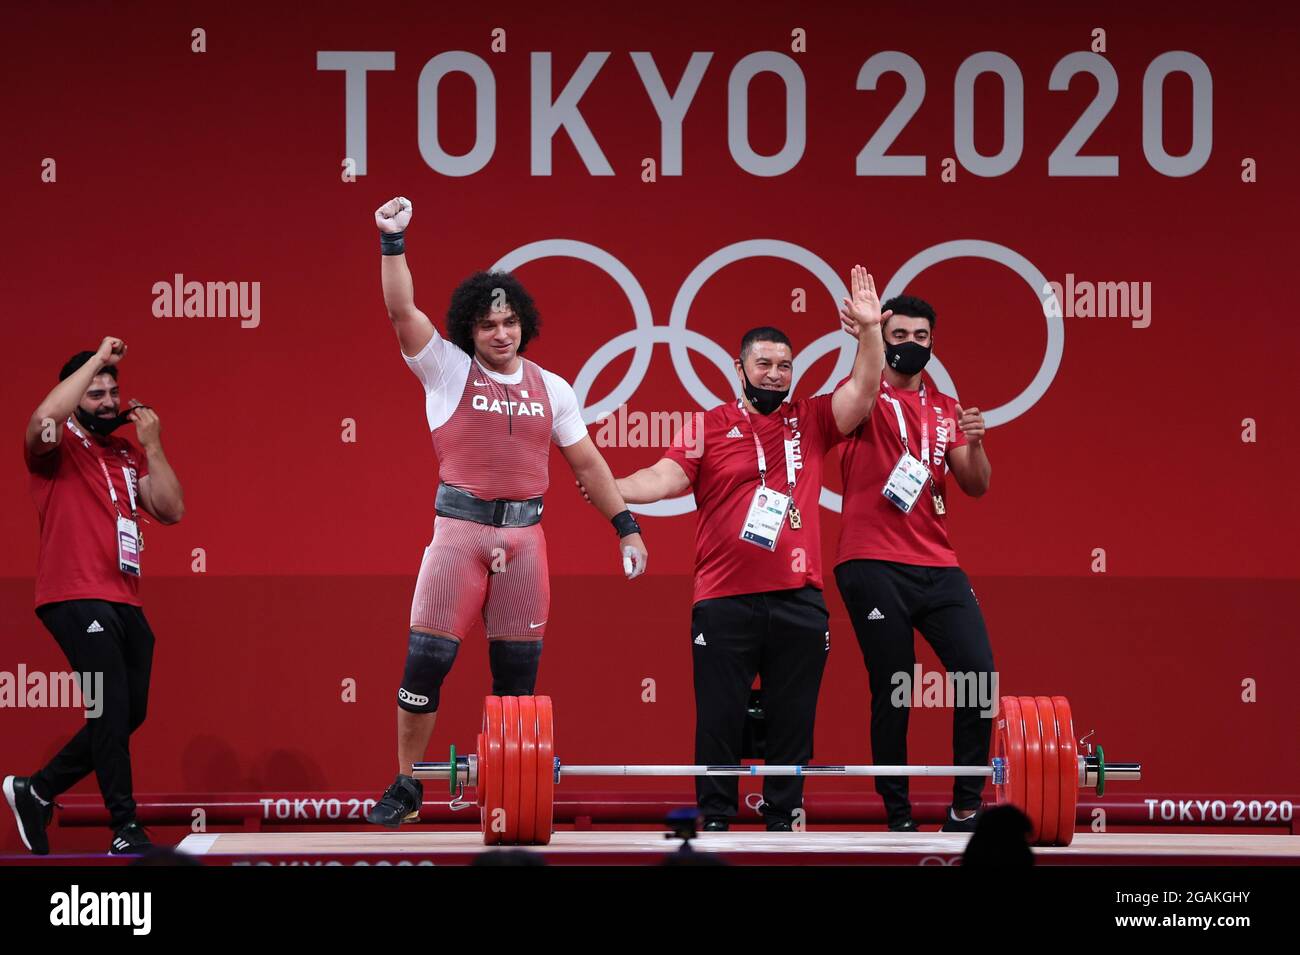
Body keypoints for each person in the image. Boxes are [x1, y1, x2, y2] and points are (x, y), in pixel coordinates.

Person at [365, 197, 649, 827]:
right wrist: (393, 242)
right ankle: (408, 784)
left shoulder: (555, 387)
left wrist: (625, 525)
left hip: (525, 540)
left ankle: (510, 785)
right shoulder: (445, 370)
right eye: (490, 324)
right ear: (470, 328)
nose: (502, 333)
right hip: (459, 535)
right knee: (425, 668)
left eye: (511, 322)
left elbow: (589, 466)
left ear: (525, 325)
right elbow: (399, 309)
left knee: (517, 683)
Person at [597, 266, 887, 831]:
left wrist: (871, 331)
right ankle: (715, 817)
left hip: (800, 597)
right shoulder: (711, 426)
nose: (775, 374)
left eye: (784, 366)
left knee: (793, 717)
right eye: (764, 364)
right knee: (720, 716)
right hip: (723, 598)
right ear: (740, 369)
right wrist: (613, 487)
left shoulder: (814, 419)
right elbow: (665, 476)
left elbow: (865, 388)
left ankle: (783, 814)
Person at [4, 339, 185, 855]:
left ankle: (36, 790)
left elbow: (171, 510)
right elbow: (44, 415)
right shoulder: (54, 445)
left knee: (127, 714)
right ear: (77, 395)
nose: (107, 403)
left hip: (125, 601)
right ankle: (125, 827)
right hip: (73, 596)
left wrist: (153, 445)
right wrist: (98, 354)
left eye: (112, 393)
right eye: (94, 393)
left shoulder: (125, 454)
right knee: (108, 707)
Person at [832, 294, 994, 833]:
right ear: (883, 338)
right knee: (896, 682)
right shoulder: (861, 397)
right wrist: (867, 340)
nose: (910, 345)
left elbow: (975, 485)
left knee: (978, 676)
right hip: (872, 561)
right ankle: (897, 813)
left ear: (932, 343)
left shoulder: (945, 408)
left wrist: (974, 446)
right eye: (898, 335)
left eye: (920, 338)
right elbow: (862, 381)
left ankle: (966, 805)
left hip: (937, 563)